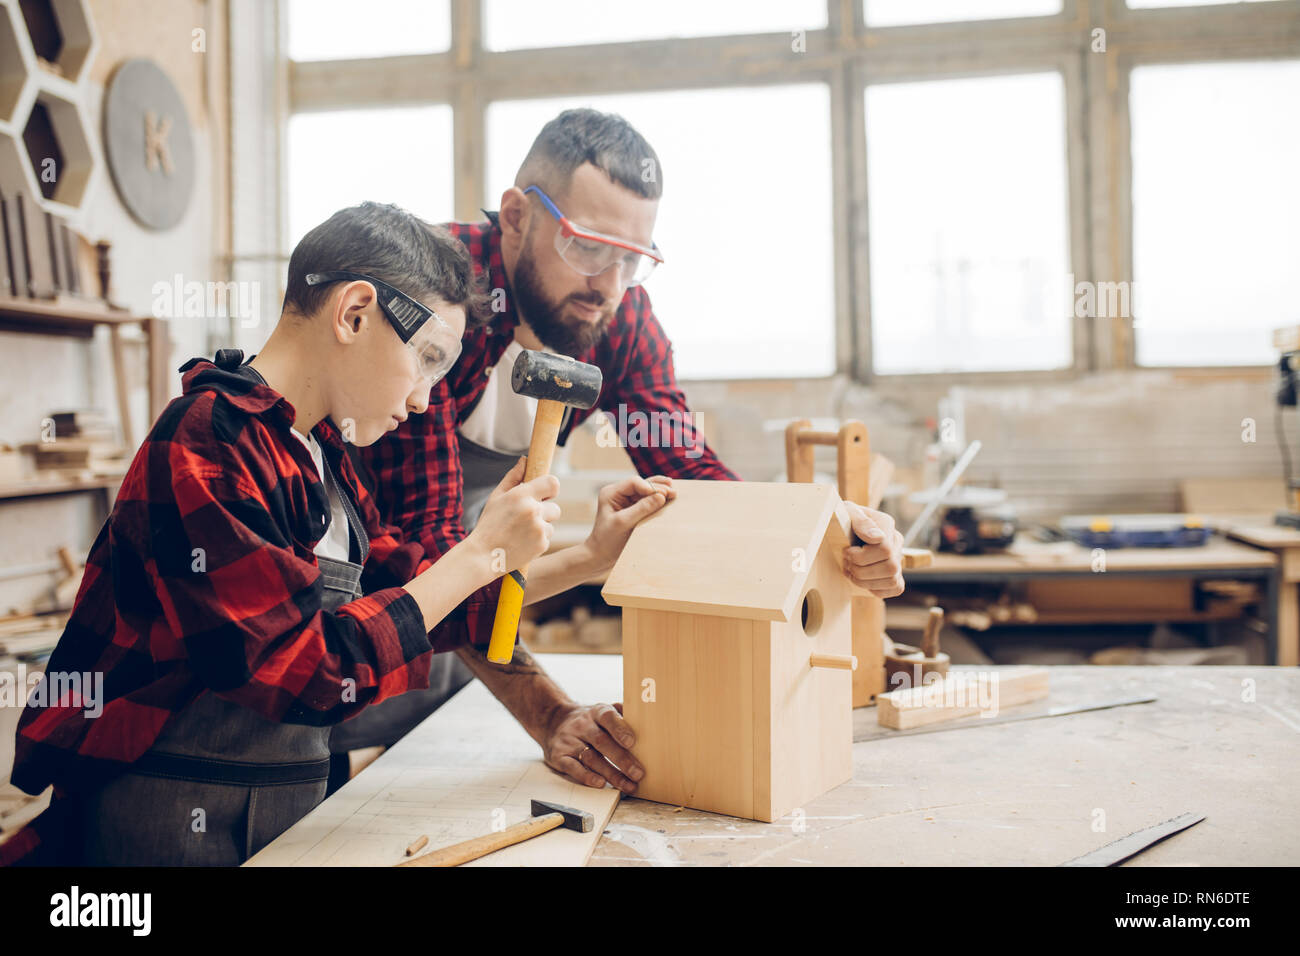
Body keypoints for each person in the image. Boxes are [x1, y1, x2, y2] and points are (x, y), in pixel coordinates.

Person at [0, 201, 669, 866]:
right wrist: (475, 550)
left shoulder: (321, 455)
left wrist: (588, 557)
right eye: (429, 359)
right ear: (354, 314)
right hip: (158, 819)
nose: (425, 400)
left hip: (278, 809)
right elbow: (305, 674)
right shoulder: (207, 440)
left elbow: (417, 601)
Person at [348, 109, 908, 791]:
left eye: (632, 258)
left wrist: (829, 526)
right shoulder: (437, 302)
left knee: (424, 765)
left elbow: (688, 472)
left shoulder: (616, 318)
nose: (609, 285)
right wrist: (550, 715)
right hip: (357, 597)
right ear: (518, 216)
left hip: (466, 600)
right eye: (587, 247)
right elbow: (434, 558)